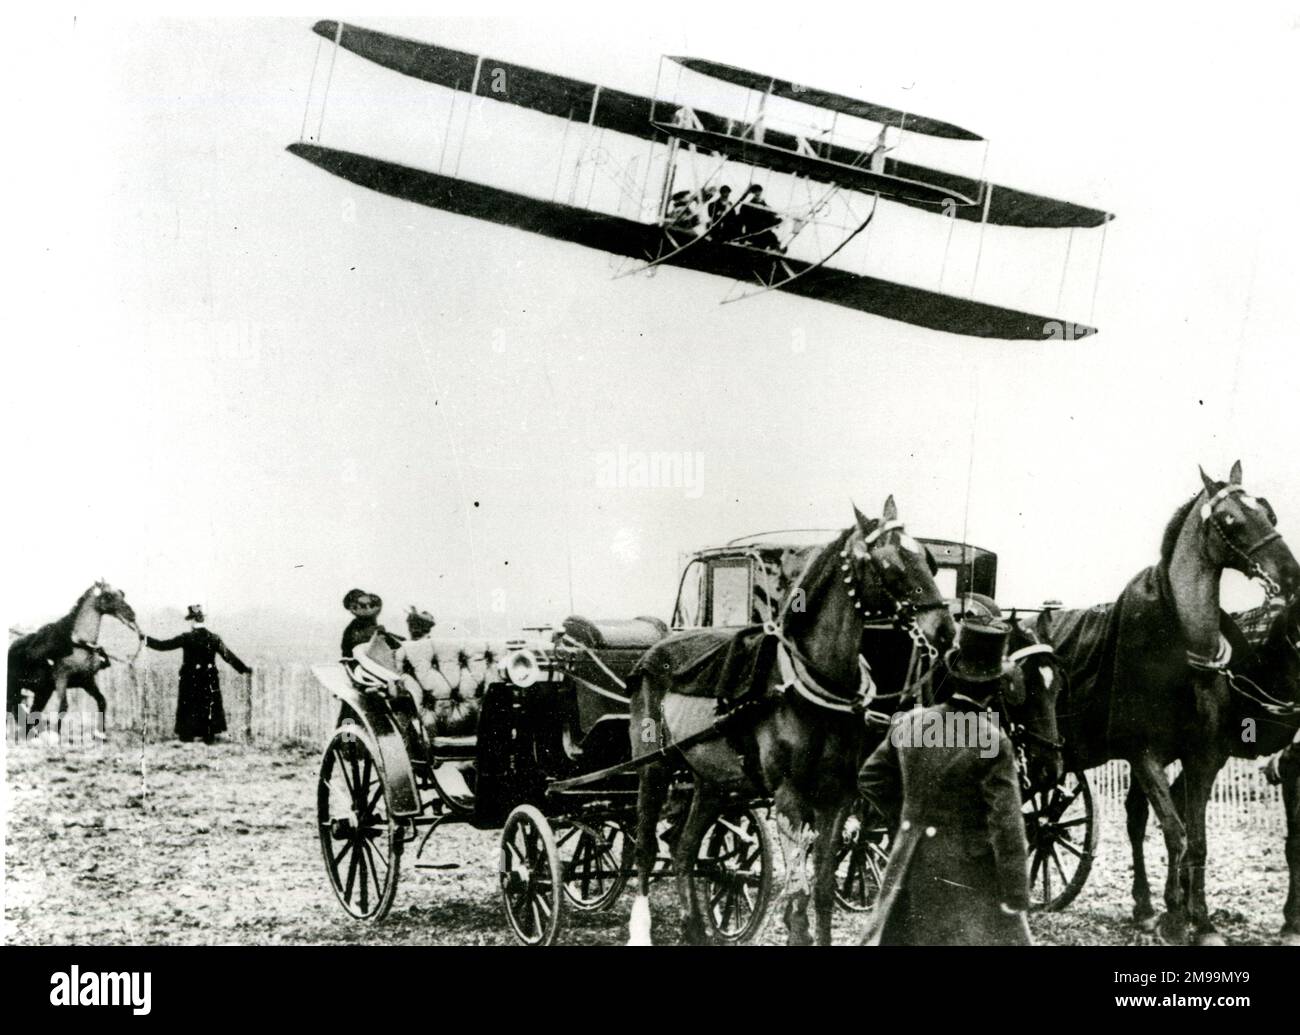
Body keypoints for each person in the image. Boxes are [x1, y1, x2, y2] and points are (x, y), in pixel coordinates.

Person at [857, 617, 1032, 945]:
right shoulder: (992, 740)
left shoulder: (910, 722)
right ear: (994, 689)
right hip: (968, 879)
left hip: (907, 867)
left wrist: (910, 820)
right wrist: (1015, 894)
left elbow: (871, 778)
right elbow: (1007, 826)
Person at [145, 605, 251, 744]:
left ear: (192, 621)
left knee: (189, 706)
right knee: (208, 705)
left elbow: (163, 645)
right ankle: (208, 737)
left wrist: (145, 639)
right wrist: (243, 669)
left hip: (190, 678)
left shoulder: (186, 637)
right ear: (203, 620)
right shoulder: (213, 638)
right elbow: (228, 656)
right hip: (209, 677)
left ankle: (187, 736)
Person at [395, 606, 481, 737]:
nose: (415, 629)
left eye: (419, 626)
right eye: (415, 626)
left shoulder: (408, 649)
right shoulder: (442, 648)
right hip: (437, 711)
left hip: (438, 712)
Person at [737, 185, 784, 252]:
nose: (757, 193)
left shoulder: (766, 207)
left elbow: (770, 219)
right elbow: (742, 219)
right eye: (755, 191)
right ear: (752, 193)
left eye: (759, 191)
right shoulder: (746, 206)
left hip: (763, 233)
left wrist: (777, 221)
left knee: (772, 238)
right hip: (752, 232)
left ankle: (776, 251)